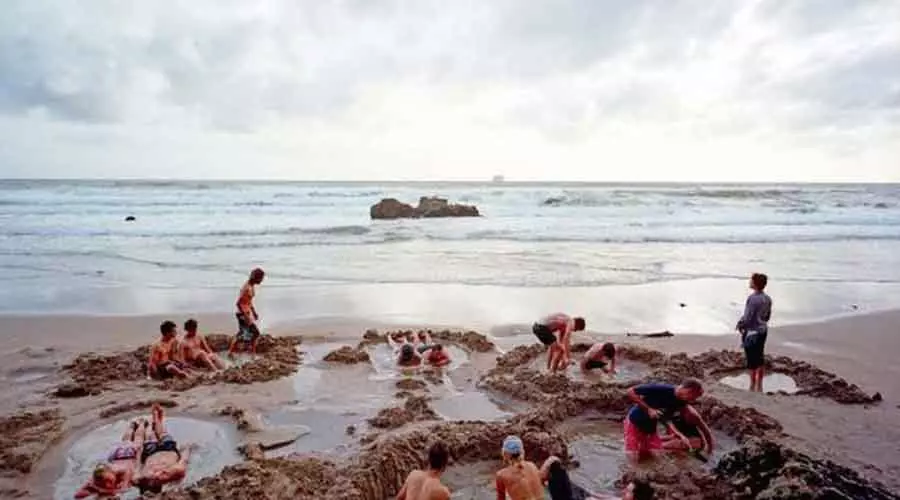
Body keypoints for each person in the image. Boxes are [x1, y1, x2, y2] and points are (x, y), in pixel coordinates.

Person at [624, 379, 704, 461]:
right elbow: (630, 391)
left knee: (656, 455)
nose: (693, 400)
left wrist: (681, 436)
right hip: (634, 422)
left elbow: (666, 418)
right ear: (689, 391)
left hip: (650, 427)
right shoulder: (662, 389)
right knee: (633, 456)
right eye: (693, 397)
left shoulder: (681, 402)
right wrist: (648, 409)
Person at [74, 418, 147, 498]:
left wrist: (102, 490)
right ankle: (132, 426)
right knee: (126, 439)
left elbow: (126, 478)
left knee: (138, 438)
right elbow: (77, 495)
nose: (108, 485)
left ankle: (141, 424)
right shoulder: (97, 480)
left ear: (110, 471)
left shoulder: (116, 470)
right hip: (118, 455)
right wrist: (93, 487)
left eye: (108, 481)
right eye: (104, 483)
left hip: (129, 455)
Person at [133, 403, 194, 495]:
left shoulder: (139, 478)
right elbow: (184, 459)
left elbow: (137, 465)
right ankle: (156, 419)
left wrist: (139, 452)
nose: (156, 474)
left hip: (151, 453)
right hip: (168, 450)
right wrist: (187, 448)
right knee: (162, 434)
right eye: (157, 477)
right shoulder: (175, 472)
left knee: (150, 436)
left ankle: (152, 420)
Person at [540, 456, 655, 500]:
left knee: (555, 466)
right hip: (584, 497)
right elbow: (608, 497)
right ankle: (547, 483)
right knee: (568, 482)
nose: (624, 491)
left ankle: (546, 482)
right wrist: (590, 493)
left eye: (628, 492)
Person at [736, 273, 773, 392]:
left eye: (751, 280)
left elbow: (747, 317)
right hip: (763, 330)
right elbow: (767, 316)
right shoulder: (767, 299)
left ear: (755, 283)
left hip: (752, 332)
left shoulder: (752, 298)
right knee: (760, 356)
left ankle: (752, 384)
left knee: (751, 358)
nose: (749, 282)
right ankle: (760, 383)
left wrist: (741, 325)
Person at [228, 267, 265, 358]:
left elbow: (249, 301)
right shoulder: (246, 287)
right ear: (256, 277)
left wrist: (254, 312)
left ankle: (251, 353)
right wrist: (245, 316)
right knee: (251, 333)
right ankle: (232, 352)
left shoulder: (251, 286)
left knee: (248, 333)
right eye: (261, 278)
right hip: (242, 314)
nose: (261, 280)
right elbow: (239, 303)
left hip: (247, 312)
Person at [495, 435, 544, 500]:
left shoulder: (501, 475)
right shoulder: (532, 465)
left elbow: (500, 499)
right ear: (522, 451)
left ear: (505, 454)